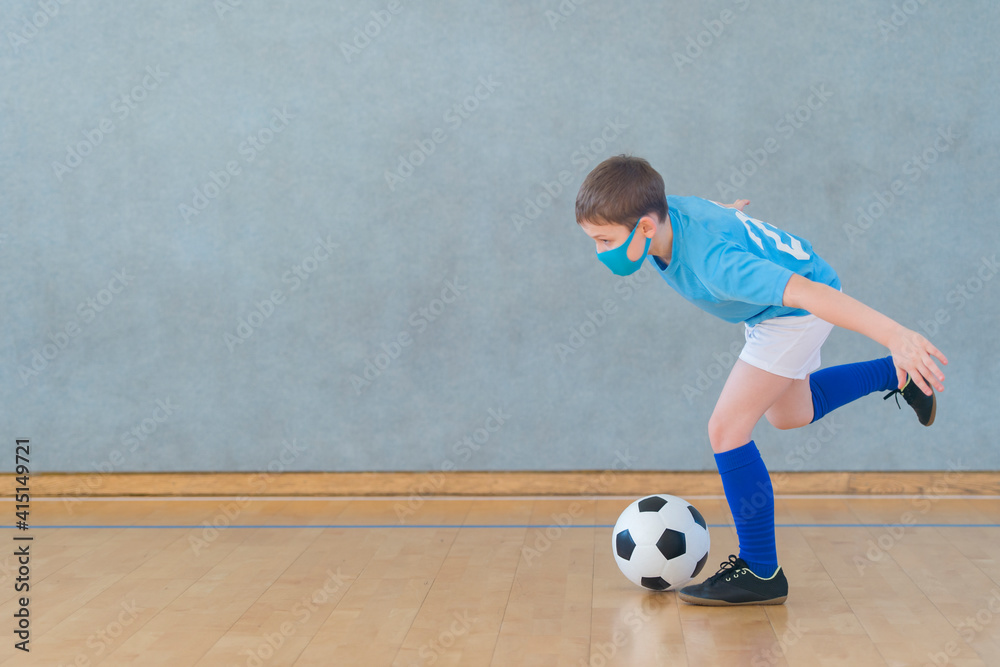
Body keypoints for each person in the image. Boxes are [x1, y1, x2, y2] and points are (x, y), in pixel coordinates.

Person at [575, 155, 947, 606]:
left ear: (647, 227)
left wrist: (895, 334)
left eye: (604, 240)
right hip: (773, 310)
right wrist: (730, 217)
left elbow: (812, 294)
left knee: (726, 429)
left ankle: (761, 570)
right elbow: (709, 216)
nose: (600, 252)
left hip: (795, 312)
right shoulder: (666, 213)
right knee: (792, 414)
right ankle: (898, 376)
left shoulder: (717, 265)